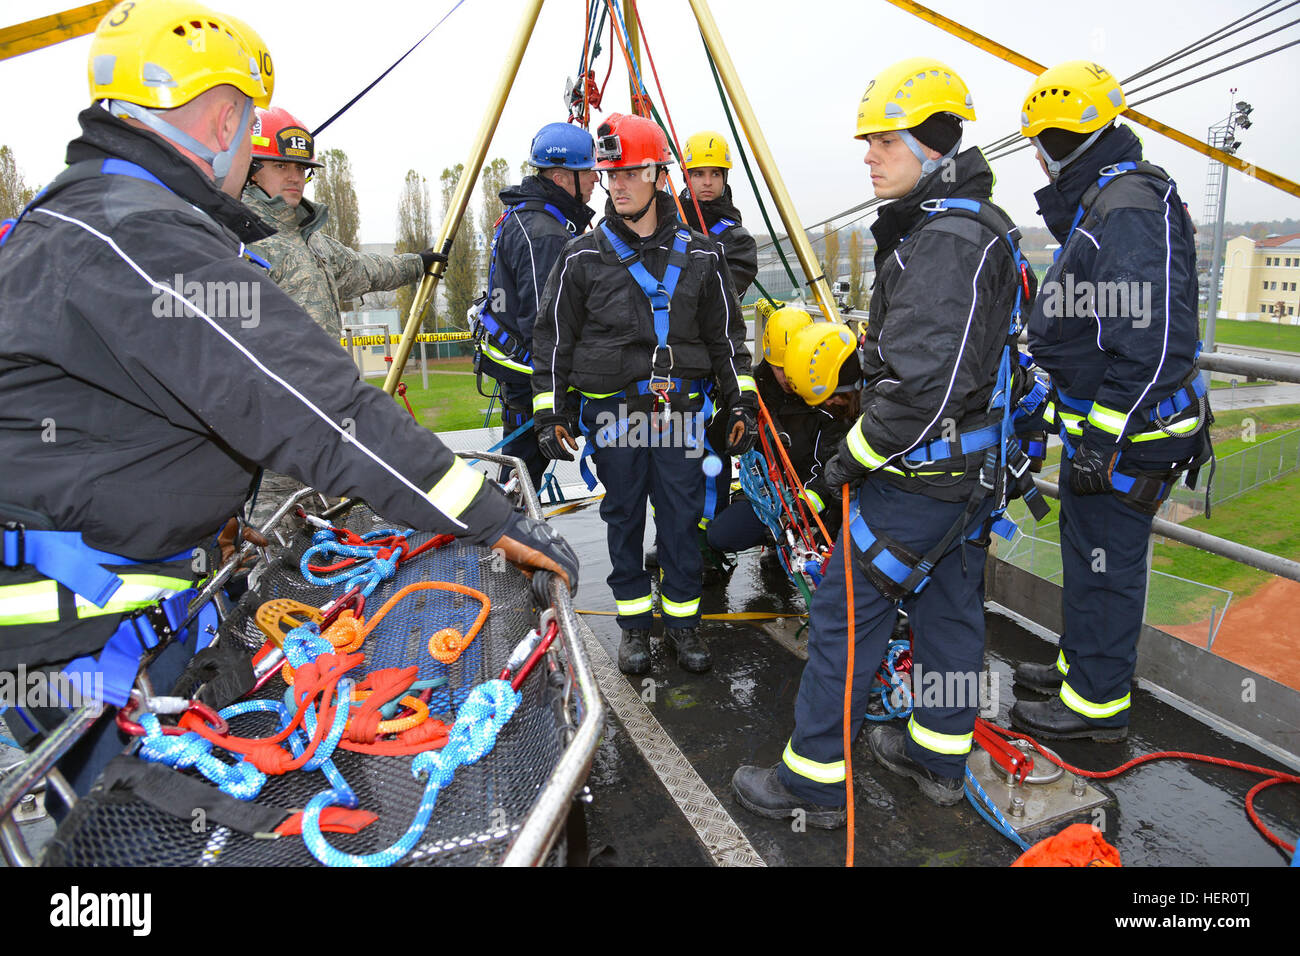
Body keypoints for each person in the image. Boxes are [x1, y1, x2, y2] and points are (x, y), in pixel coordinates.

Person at [0, 0, 577, 803]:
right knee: (140, 833)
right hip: (90, 637)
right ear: (223, 117)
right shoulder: (141, 239)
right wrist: (487, 516)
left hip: (95, 614)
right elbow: (315, 404)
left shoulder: (81, 220)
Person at [731, 57, 1027, 825]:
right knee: (950, 613)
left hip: (918, 479)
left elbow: (920, 395)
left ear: (932, 147)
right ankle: (936, 755)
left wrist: (839, 469)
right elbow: (940, 361)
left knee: (844, 616)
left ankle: (813, 784)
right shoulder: (963, 231)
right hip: (967, 475)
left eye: (883, 142)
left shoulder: (946, 243)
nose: (868, 155)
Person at [1009, 62, 1210, 741]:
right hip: (1112, 430)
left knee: (1108, 559)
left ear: (1058, 139)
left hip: (1131, 436)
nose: (1037, 154)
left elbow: (1150, 343)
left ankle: (1095, 707)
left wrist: (1101, 438)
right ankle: (1081, 665)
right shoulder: (1111, 197)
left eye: (1039, 140)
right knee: (1086, 550)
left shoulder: (1123, 208)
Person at [532, 112, 758, 675]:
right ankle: (635, 627)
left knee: (681, 521)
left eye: (631, 172)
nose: (619, 184)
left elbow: (727, 338)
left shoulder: (703, 255)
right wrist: (551, 414)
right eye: (610, 174)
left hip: (679, 410)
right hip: (614, 414)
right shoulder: (581, 257)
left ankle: (684, 623)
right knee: (625, 516)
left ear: (658, 174)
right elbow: (554, 343)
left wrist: (740, 402)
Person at [474, 122, 597, 490]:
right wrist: (557, 397)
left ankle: (508, 530)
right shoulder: (543, 232)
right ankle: (508, 539)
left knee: (520, 471)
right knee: (521, 475)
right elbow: (545, 321)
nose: (595, 179)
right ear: (562, 178)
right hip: (531, 375)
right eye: (588, 171)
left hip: (525, 370)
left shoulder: (535, 219)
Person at [241, 106, 433, 339]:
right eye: (281, 166)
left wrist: (418, 263)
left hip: (328, 373)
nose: (294, 177)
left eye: (301, 168)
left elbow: (364, 270)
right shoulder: (239, 240)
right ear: (252, 170)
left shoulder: (312, 241)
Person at [707, 319, 859, 556]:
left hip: (814, 495)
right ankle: (774, 540)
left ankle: (802, 534)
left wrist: (801, 510)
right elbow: (718, 440)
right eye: (779, 368)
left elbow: (831, 466)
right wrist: (736, 408)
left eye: (790, 367)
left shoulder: (827, 400)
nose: (787, 376)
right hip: (769, 494)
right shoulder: (754, 390)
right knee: (720, 535)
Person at [680, 130, 758, 299]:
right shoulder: (667, 220)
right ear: (687, 178)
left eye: (715, 173)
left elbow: (720, 298)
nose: (707, 182)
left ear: (724, 178)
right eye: (699, 174)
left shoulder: (738, 241)